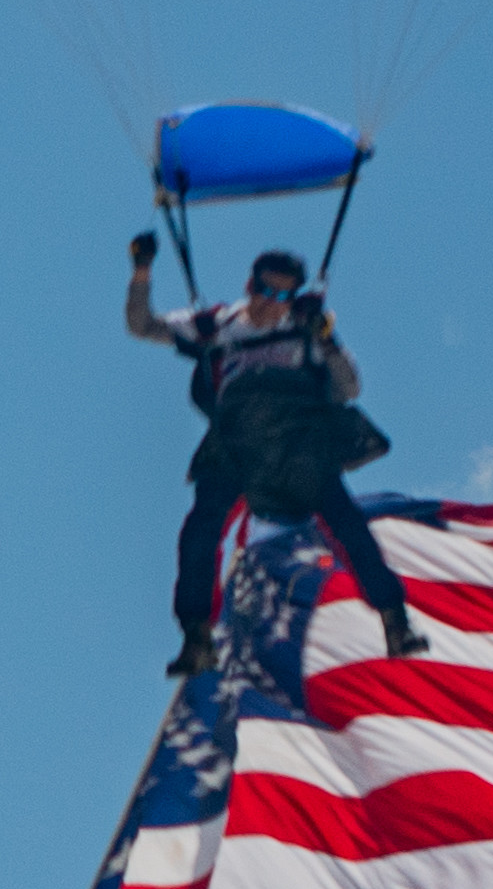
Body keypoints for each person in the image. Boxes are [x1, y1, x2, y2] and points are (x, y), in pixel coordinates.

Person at [121, 241, 419, 671]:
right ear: (250, 284)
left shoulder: (306, 332)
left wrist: (328, 341)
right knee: (200, 530)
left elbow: (349, 389)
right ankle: (198, 636)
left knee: (346, 522)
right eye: (266, 291)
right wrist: (142, 271)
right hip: (237, 443)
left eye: (284, 296)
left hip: (297, 443)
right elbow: (142, 325)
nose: (273, 304)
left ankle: (394, 618)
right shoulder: (217, 326)